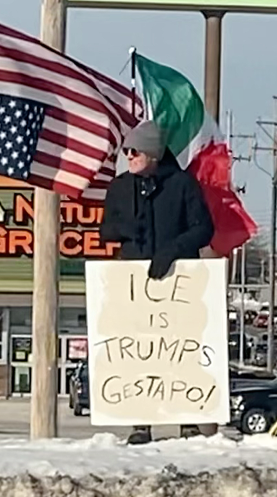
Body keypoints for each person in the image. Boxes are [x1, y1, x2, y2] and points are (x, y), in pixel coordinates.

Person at [100, 120, 215, 445]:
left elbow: (203, 229)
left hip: (179, 280)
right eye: (126, 151)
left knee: (180, 351)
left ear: (152, 152)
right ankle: (141, 422)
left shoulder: (182, 185)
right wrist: (128, 230)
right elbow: (105, 229)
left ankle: (187, 420)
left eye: (135, 151)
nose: (129, 156)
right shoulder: (120, 187)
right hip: (134, 281)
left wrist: (172, 250)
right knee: (138, 351)